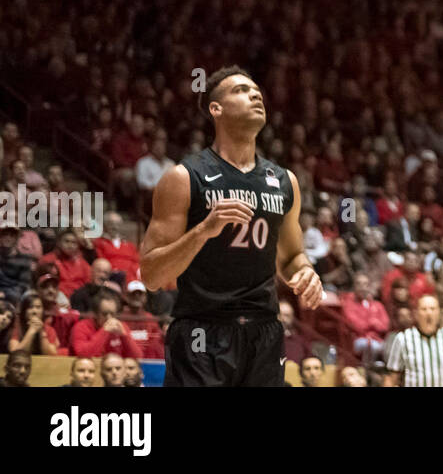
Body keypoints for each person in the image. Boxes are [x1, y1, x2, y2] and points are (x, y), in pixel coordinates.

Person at [141, 66, 322, 386]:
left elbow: (292, 256)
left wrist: (304, 271)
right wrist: (203, 231)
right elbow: (152, 275)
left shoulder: (284, 181)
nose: (255, 95)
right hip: (201, 331)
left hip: (264, 331)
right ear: (216, 109)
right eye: (240, 90)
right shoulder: (184, 178)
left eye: (256, 91)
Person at [385, 294, 443, 387]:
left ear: (439, 313)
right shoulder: (403, 338)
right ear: (416, 314)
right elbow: (391, 377)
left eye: (432, 309)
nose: (429, 313)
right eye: (424, 309)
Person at [70, 295, 142, 359]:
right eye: (105, 314)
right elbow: (82, 355)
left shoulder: (121, 327)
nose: (109, 317)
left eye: (112, 314)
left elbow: (137, 357)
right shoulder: (81, 327)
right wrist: (104, 331)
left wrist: (124, 336)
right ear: (96, 314)